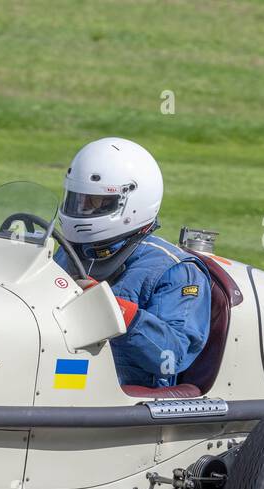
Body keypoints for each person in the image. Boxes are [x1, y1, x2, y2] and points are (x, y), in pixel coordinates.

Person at [55, 138, 211, 389]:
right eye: (78, 200)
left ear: (132, 202)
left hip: (124, 393)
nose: (81, 210)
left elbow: (171, 358)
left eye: (95, 203)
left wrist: (117, 312)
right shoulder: (69, 252)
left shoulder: (176, 271)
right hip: (69, 373)